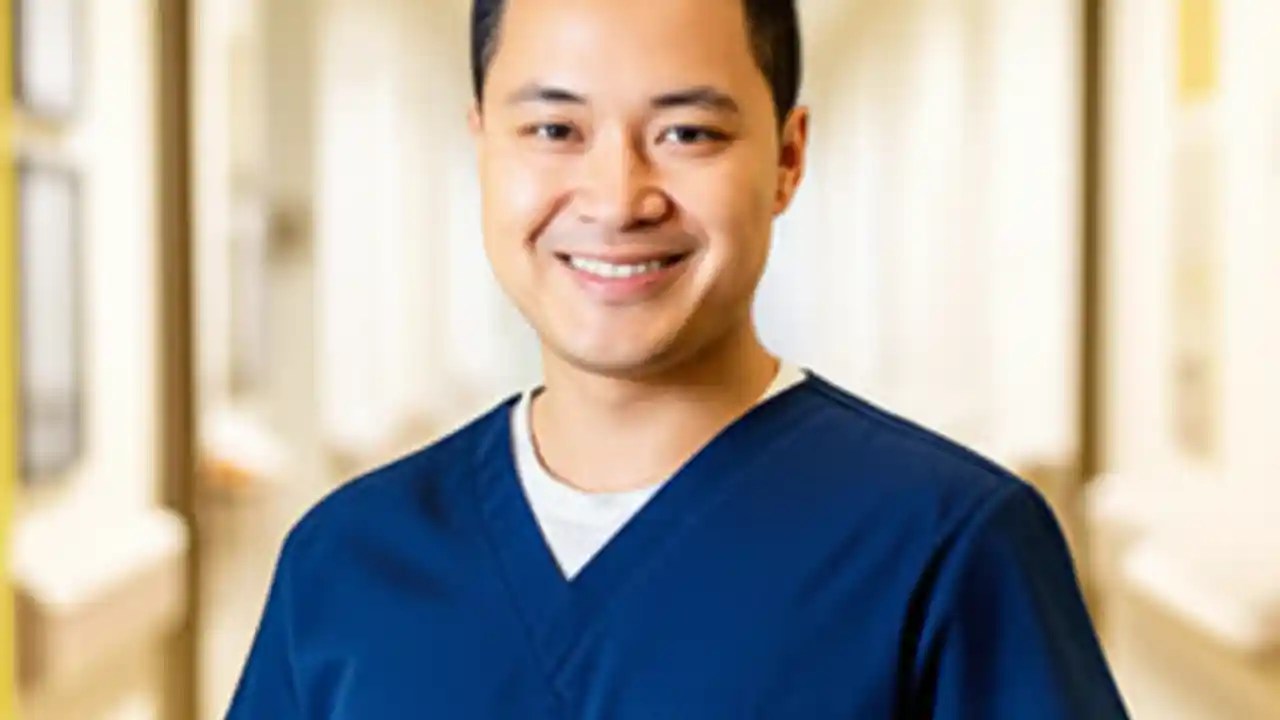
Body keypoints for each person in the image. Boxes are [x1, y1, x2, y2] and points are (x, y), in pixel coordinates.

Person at [228, 0, 1131, 717]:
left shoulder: (946, 548)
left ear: (786, 159)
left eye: (687, 133)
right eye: (554, 131)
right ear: (483, 148)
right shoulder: (346, 562)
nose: (618, 198)